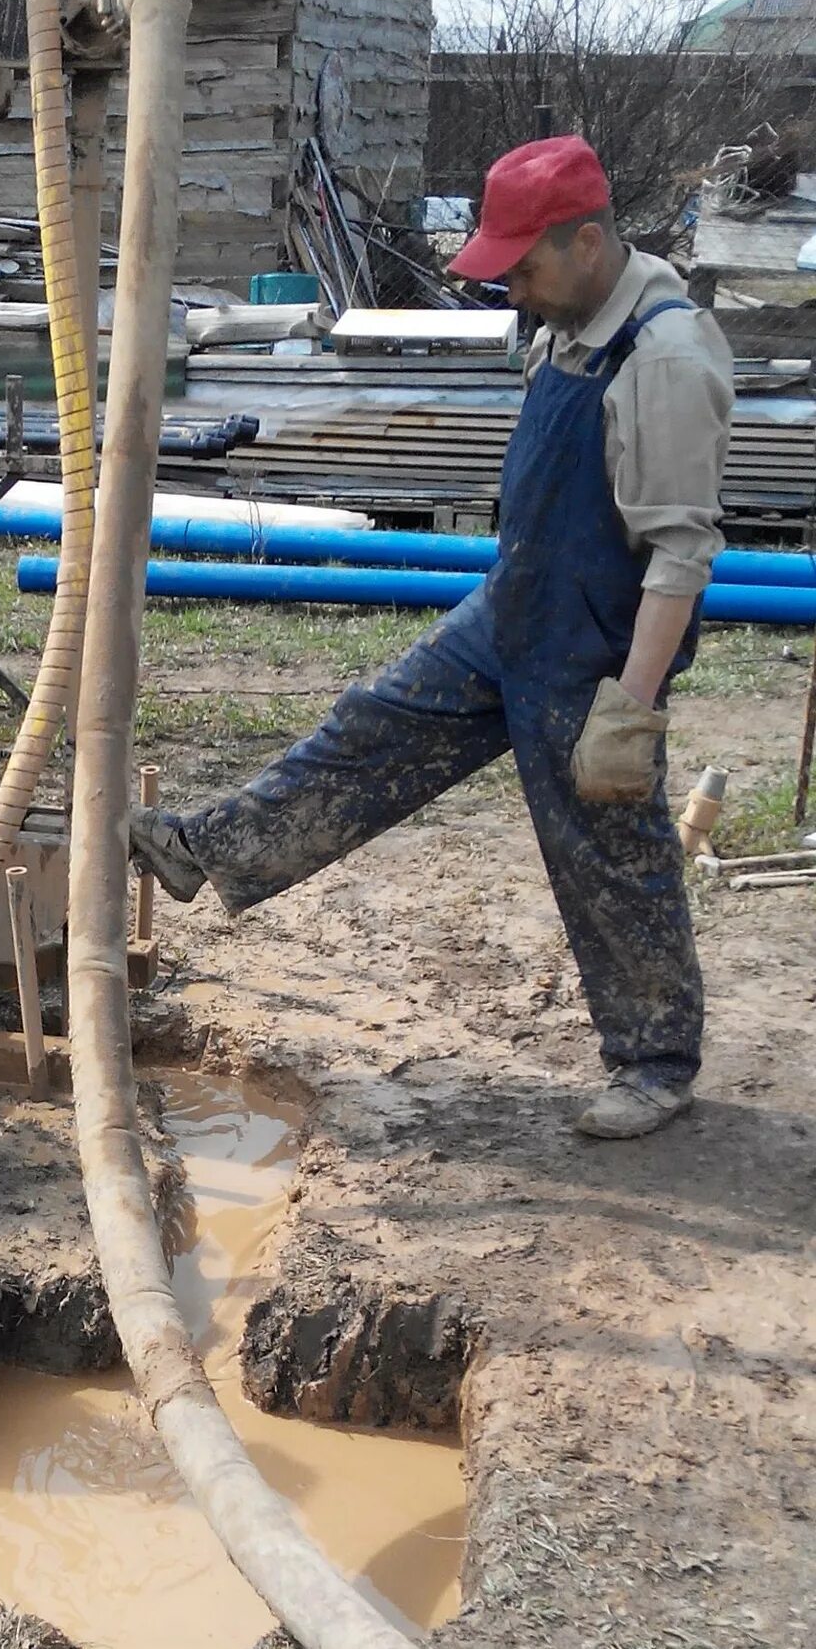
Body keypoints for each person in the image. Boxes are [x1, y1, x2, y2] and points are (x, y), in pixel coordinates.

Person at [130, 135, 735, 1142]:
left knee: (605, 853)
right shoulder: (562, 327)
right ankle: (204, 850)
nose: (514, 291)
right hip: (509, 612)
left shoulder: (663, 356)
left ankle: (653, 1064)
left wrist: (627, 709)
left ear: (586, 243)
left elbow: (679, 552)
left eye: (525, 268)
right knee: (371, 730)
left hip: (592, 656)